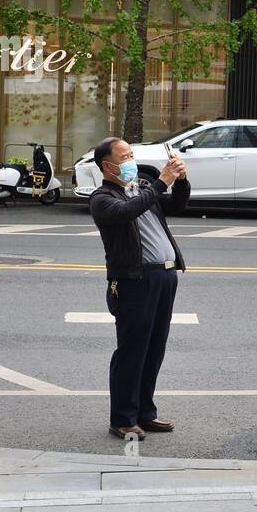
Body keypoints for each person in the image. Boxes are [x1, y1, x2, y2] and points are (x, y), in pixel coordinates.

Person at [89, 137, 190, 440]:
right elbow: (126, 212)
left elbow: (177, 205)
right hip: (135, 282)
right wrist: (161, 182)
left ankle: (145, 414)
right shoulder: (103, 197)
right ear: (108, 165)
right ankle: (122, 418)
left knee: (154, 349)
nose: (131, 161)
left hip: (164, 278)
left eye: (132, 155)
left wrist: (181, 181)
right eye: (125, 157)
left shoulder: (140, 191)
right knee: (132, 352)